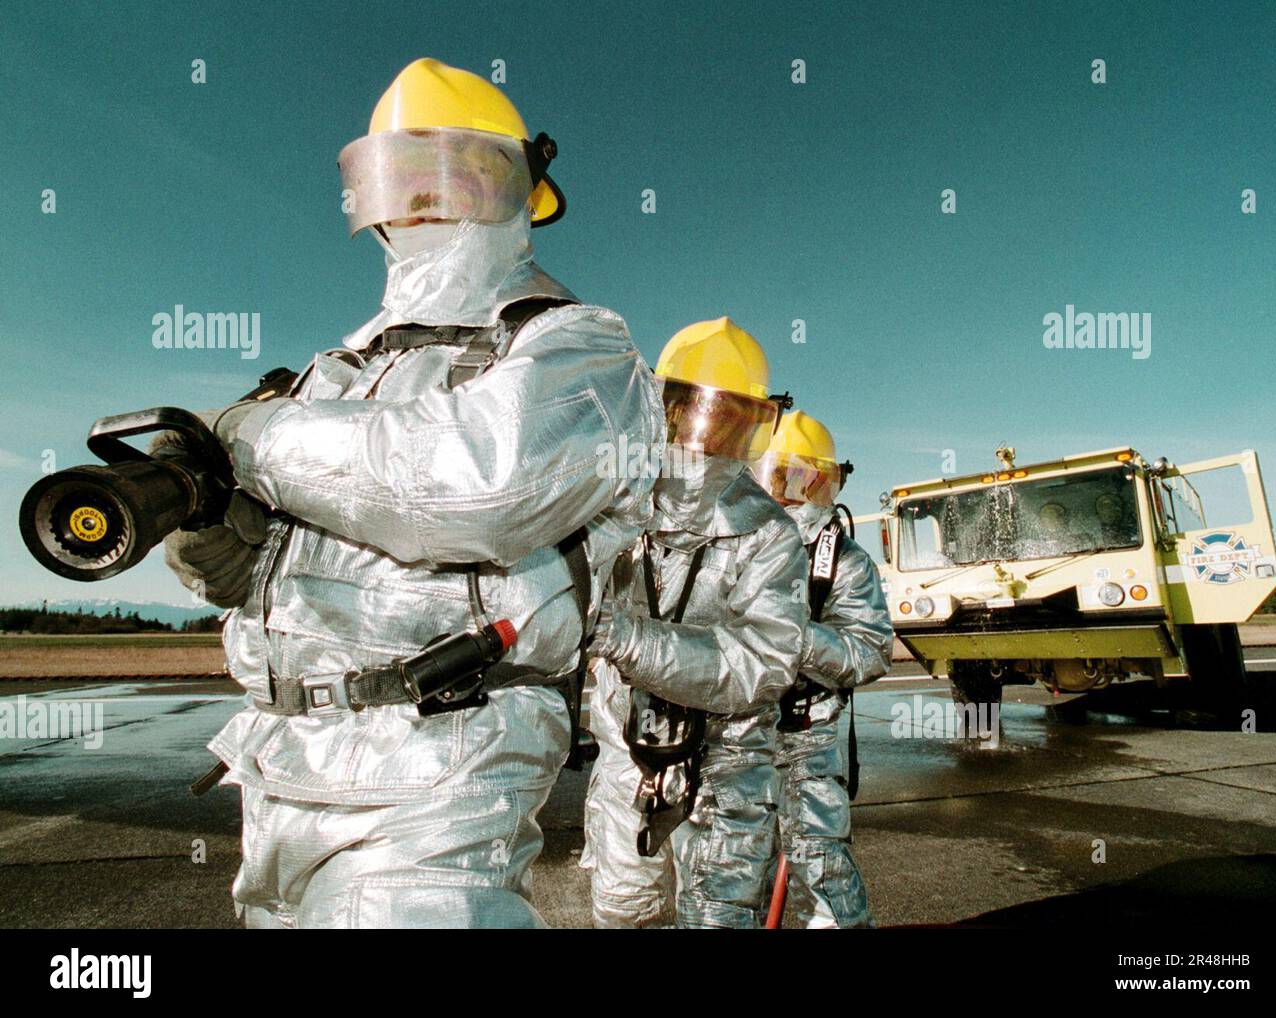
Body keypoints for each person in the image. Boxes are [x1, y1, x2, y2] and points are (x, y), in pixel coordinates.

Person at [161, 57, 664, 928]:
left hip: (441, 766)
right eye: (405, 173)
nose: (427, 196)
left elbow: (479, 483)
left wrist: (241, 437)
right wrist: (208, 535)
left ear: (515, 187)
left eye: (460, 169)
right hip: (279, 771)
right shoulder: (328, 374)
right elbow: (270, 576)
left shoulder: (581, 349)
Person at [582, 316, 809, 928]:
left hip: (730, 773)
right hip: (625, 762)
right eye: (702, 414)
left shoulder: (768, 531)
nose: (711, 442)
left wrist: (625, 638)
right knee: (621, 912)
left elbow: (763, 664)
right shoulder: (608, 501)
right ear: (663, 410)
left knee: (719, 918)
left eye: (737, 423)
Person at [751, 409, 892, 928]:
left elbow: (871, 650)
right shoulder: (734, 546)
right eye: (780, 476)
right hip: (734, 734)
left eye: (807, 479)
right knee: (732, 863)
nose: (791, 494)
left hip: (805, 731)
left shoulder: (846, 561)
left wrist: (791, 636)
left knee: (822, 863)